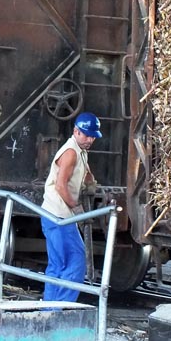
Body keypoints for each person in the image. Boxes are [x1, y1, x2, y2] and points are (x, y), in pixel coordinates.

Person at [40, 112, 101, 302]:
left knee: (59, 264)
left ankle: (52, 310)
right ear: (76, 131)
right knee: (73, 261)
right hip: (59, 216)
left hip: (59, 216)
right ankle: (58, 309)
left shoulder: (81, 151)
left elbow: (86, 173)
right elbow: (60, 185)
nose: (90, 139)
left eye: (93, 136)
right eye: (87, 135)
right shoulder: (70, 153)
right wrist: (77, 208)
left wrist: (91, 183)